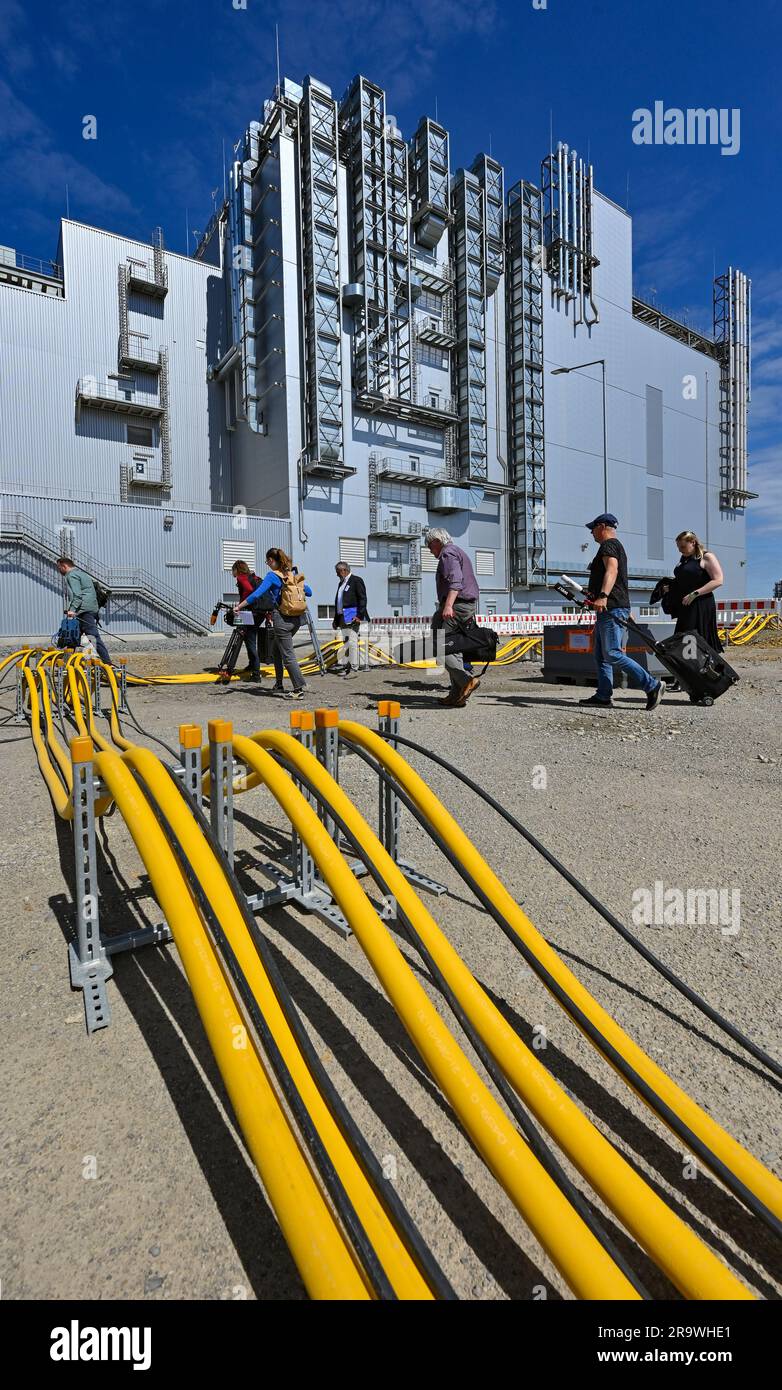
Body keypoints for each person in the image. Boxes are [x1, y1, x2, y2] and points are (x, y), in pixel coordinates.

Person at [579, 513, 665, 711]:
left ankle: (652, 685)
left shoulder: (609, 546)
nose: (591, 532)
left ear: (602, 526)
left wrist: (603, 596)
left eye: (593, 528)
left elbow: (612, 571)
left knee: (612, 653)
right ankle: (603, 696)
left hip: (611, 606)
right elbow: (619, 580)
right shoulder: (616, 546)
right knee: (601, 656)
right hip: (614, 606)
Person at [235, 547, 312, 699]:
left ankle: (298, 689)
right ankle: (279, 684)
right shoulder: (291, 575)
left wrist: (239, 606)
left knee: (288, 655)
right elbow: (309, 592)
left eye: (267, 561)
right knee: (277, 651)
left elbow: (256, 594)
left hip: (282, 619)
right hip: (296, 620)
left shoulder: (272, 576)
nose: (267, 564)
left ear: (271, 560)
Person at [426, 528, 481, 707]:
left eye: (429, 545)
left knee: (439, 645)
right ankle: (456, 695)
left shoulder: (447, 553)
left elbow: (456, 580)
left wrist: (448, 605)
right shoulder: (457, 551)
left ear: (436, 541)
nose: (428, 549)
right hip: (463, 604)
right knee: (453, 648)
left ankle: (466, 681)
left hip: (456, 605)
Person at [667, 531, 724, 651]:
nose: (680, 550)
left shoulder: (706, 557)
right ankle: (689, 667)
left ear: (693, 542)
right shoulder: (684, 560)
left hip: (701, 604)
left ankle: (705, 665)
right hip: (686, 605)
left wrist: (695, 593)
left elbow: (718, 580)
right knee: (684, 639)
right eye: (678, 547)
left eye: (682, 546)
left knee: (697, 639)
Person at [55, 556, 111, 663]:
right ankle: (68, 663)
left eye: (59, 567)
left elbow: (77, 595)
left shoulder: (71, 575)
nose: (59, 570)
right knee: (72, 637)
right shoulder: (81, 573)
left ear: (64, 566)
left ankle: (108, 664)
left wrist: (72, 609)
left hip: (84, 610)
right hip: (91, 609)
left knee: (93, 636)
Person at [229, 559, 264, 682]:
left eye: (232, 570)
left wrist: (240, 605)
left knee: (250, 640)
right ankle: (251, 665)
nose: (231, 573)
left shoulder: (241, 577)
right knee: (249, 637)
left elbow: (248, 590)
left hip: (250, 612)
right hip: (260, 613)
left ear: (236, 570)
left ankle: (256, 674)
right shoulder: (254, 577)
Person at [332, 561, 368, 678]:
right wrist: (335, 620)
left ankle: (354, 668)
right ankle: (348, 667)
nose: (337, 575)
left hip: (352, 616)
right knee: (346, 643)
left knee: (352, 642)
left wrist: (359, 615)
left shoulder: (356, 580)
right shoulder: (340, 583)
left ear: (344, 570)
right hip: (343, 617)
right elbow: (339, 602)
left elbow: (363, 599)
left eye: (338, 572)